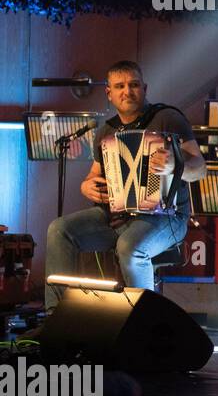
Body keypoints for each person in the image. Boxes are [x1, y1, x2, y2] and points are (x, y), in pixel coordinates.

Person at [44, 61, 205, 311]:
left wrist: (176, 163)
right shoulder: (106, 131)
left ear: (145, 88)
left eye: (133, 85)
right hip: (118, 217)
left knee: (129, 246)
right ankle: (56, 316)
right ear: (109, 93)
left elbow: (200, 170)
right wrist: (86, 186)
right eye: (119, 86)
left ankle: (144, 322)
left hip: (166, 217)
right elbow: (93, 176)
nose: (127, 91)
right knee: (59, 230)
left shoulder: (167, 119)